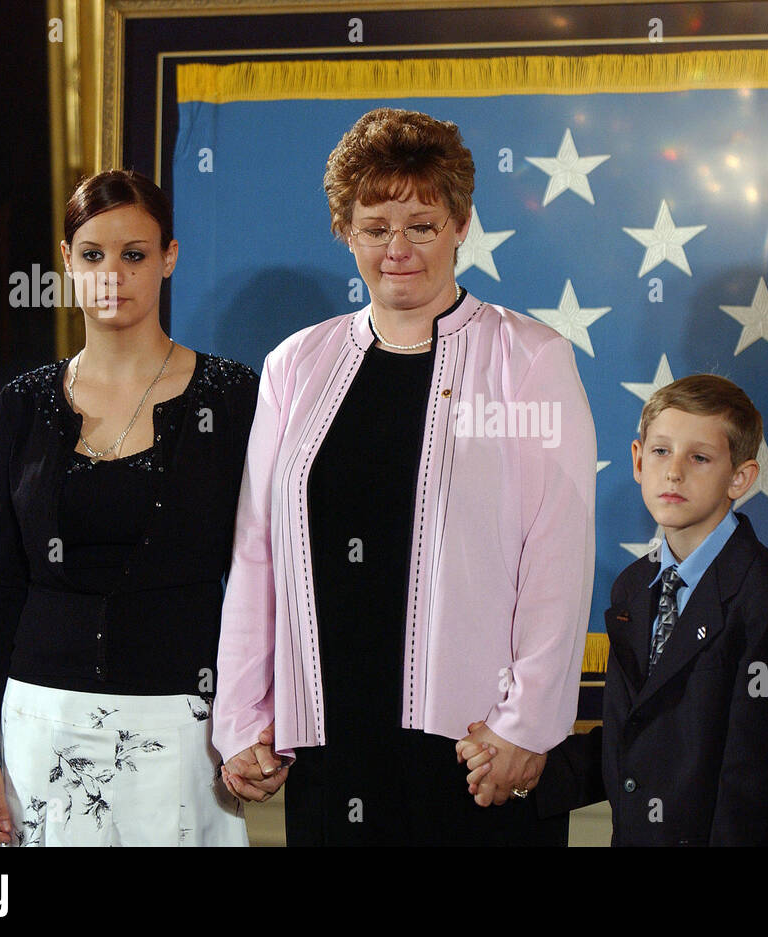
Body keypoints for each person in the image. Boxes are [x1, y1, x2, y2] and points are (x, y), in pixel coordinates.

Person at [213, 107, 597, 845]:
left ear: (461, 223)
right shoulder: (296, 364)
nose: (398, 247)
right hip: (328, 736)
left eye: (421, 224)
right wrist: (241, 717)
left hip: (474, 746)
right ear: (344, 231)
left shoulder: (530, 359)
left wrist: (528, 725)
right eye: (374, 225)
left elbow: (559, 552)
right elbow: (257, 553)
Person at [0, 169, 257, 846]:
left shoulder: (233, 396)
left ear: (169, 257)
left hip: (187, 729)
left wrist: (256, 718)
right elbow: (0, 581)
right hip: (38, 728)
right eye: (92, 254)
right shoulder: (24, 403)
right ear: (66, 261)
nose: (112, 274)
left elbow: (263, 577)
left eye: (134, 254)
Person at [461, 375, 768, 845]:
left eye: (700, 458)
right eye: (662, 452)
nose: (675, 472)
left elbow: (756, 783)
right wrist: (523, 766)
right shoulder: (633, 587)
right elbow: (633, 740)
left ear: (741, 478)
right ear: (638, 461)